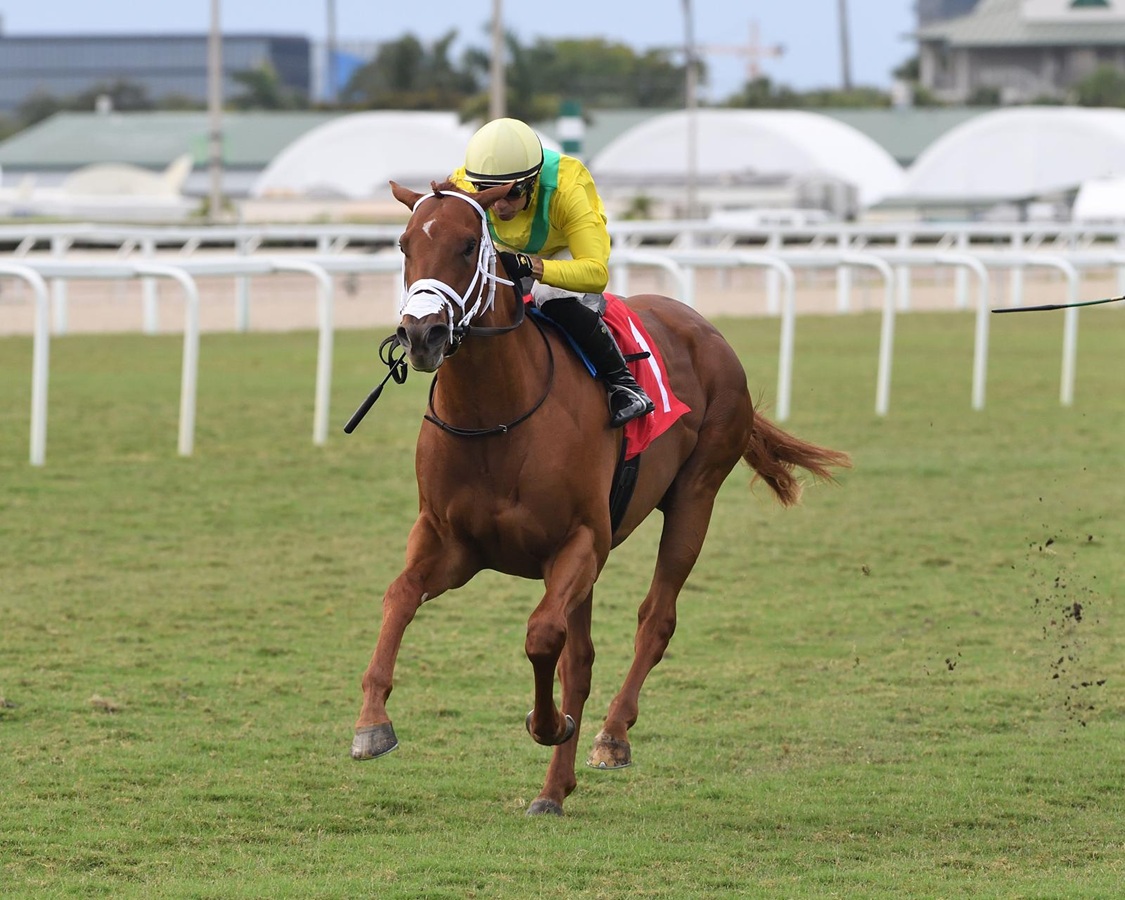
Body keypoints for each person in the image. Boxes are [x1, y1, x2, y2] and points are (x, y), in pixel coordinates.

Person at [450, 117, 654, 429]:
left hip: (564, 251)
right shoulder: (465, 184)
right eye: (488, 194)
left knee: (549, 295)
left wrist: (531, 266)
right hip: (508, 252)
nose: (501, 206)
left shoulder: (568, 185)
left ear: (532, 182)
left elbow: (596, 273)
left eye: (513, 193)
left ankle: (625, 386)